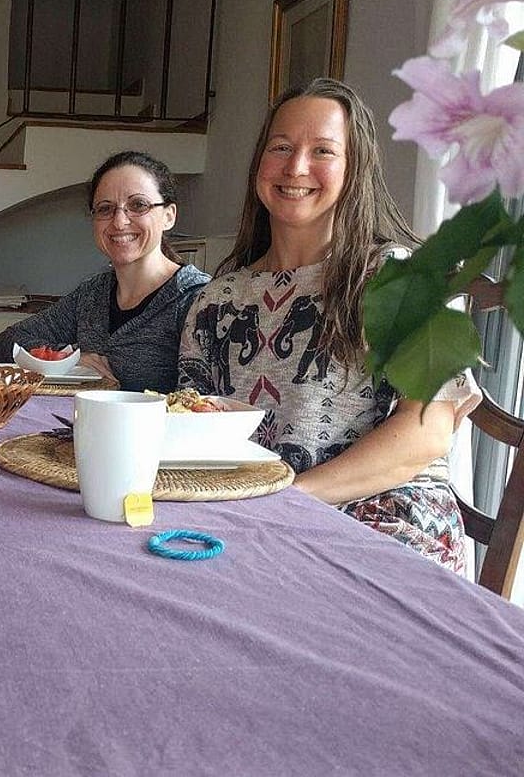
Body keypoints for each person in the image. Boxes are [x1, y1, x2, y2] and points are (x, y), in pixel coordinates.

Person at [177, 78, 481, 571]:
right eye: (281, 147)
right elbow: (194, 426)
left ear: (354, 169)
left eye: (323, 150)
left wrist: (288, 499)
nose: (296, 167)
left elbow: (427, 432)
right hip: (256, 521)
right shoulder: (215, 300)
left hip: (383, 521)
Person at [0, 151, 209, 391]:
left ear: (169, 216)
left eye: (138, 205)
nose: (119, 221)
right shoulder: (92, 295)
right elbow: (6, 343)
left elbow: (205, 403)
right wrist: (67, 359)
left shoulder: (198, 299)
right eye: (105, 208)